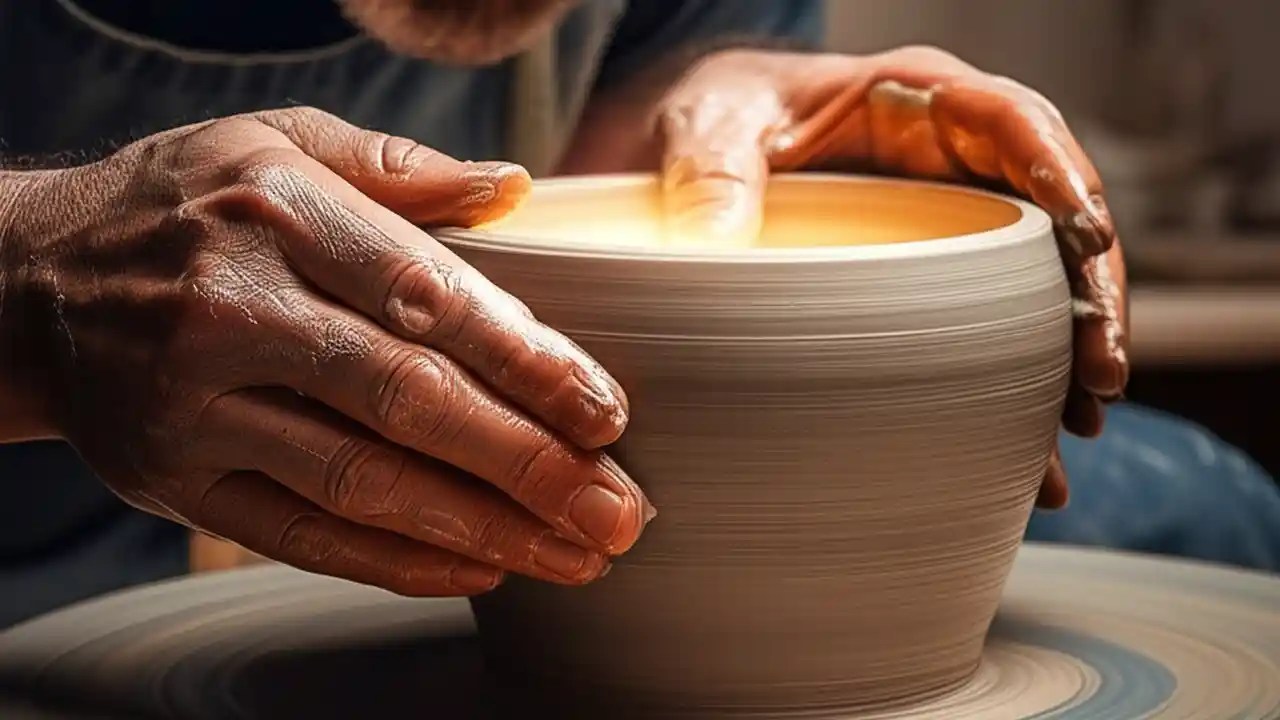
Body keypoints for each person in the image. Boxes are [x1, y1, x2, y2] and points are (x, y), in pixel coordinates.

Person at [0, 0, 1276, 628]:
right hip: (53, 558)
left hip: (512, 517)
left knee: (1208, 510)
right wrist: (25, 286)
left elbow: (608, 148)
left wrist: (745, 150)